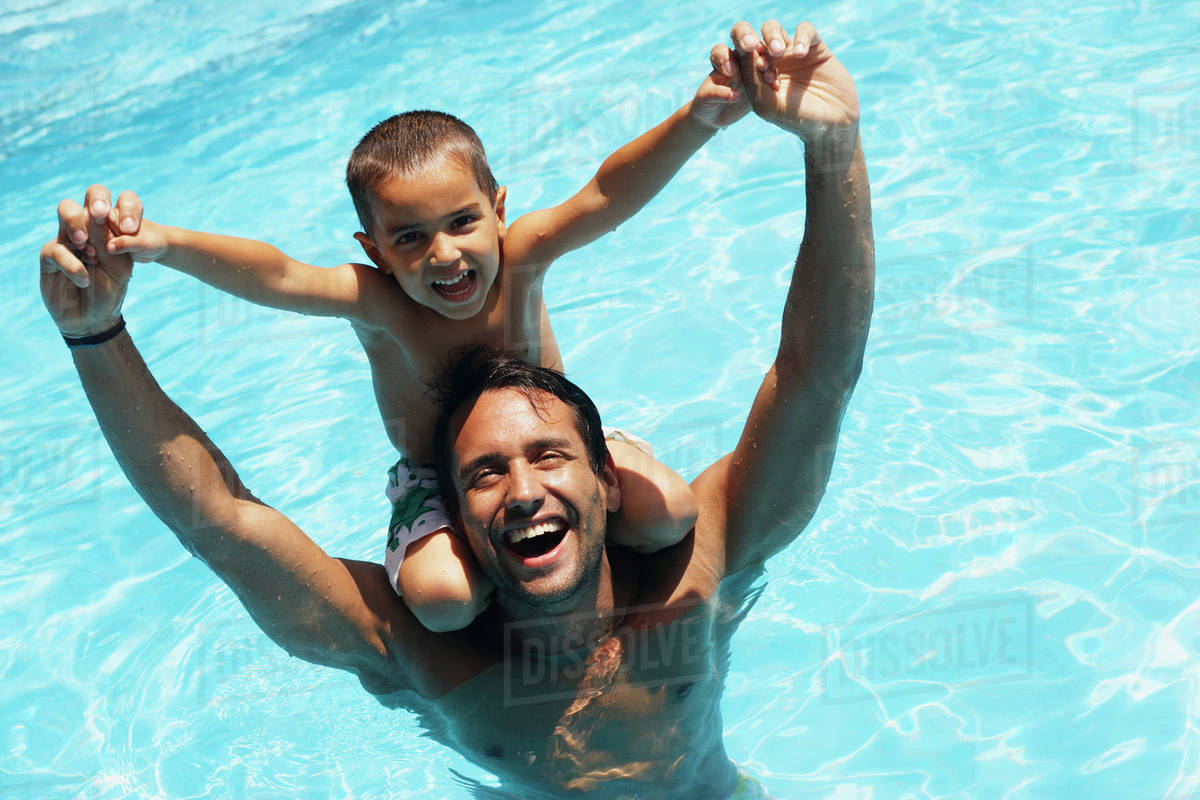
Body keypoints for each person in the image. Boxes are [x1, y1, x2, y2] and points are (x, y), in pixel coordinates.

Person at [41, 19, 873, 799]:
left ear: (607, 476)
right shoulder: (425, 655)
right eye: (483, 474)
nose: (523, 492)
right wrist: (96, 330)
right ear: (454, 509)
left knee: (673, 506)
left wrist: (829, 143)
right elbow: (220, 520)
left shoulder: (697, 568)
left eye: (549, 455)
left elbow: (816, 375)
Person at [54, 62, 751, 634]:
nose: (443, 255)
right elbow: (279, 274)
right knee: (444, 601)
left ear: (498, 211)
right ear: (375, 250)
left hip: (551, 457)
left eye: (462, 222)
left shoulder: (524, 256)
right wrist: (165, 245)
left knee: (669, 513)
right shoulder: (378, 303)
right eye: (410, 238)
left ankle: (568, 558)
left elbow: (605, 193)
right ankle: (499, 578)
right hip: (435, 479)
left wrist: (697, 121)